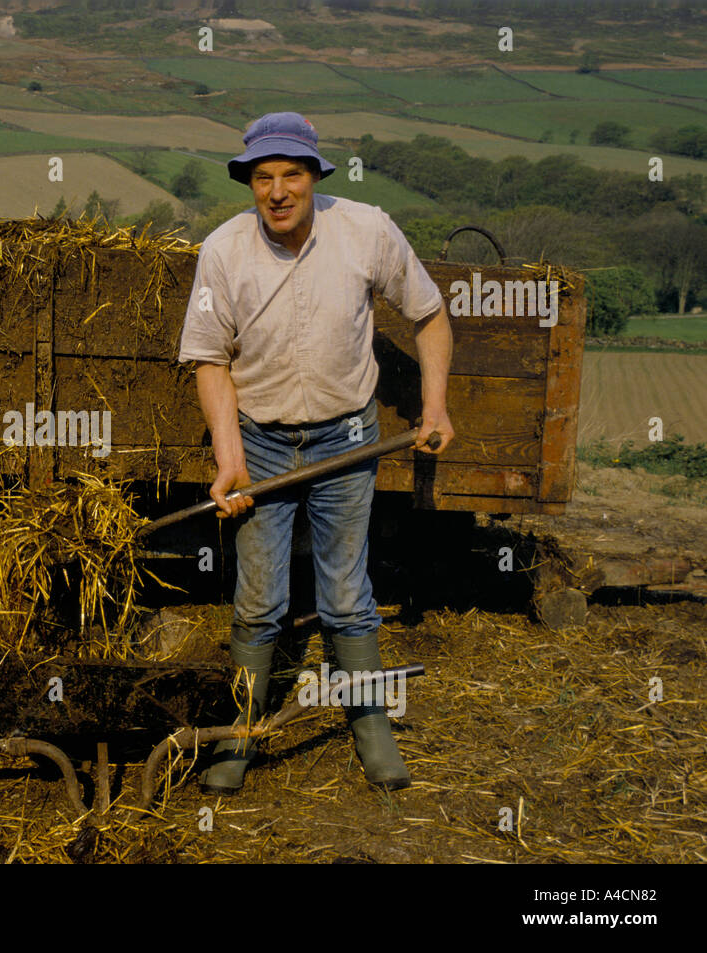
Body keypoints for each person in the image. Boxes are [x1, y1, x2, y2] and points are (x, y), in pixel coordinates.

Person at [178, 112, 455, 794]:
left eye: (291, 175)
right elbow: (209, 360)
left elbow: (428, 312)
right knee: (259, 599)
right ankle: (239, 731)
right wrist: (229, 457)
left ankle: (370, 725)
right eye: (262, 178)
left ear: (314, 177)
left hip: (348, 435)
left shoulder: (365, 230)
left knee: (345, 593)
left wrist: (435, 404)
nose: (277, 191)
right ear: (249, 182)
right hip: (263, 441)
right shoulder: (223, 251)